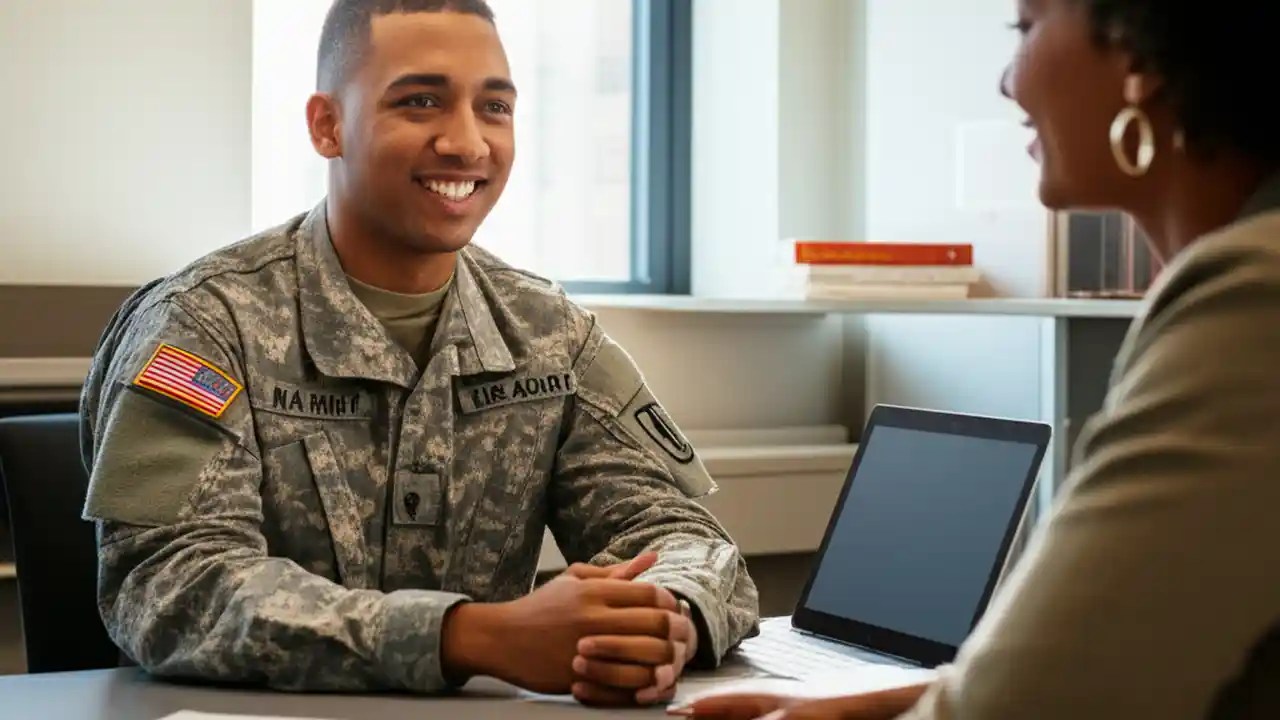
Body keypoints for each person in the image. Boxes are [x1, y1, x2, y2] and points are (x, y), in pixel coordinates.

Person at [78, 0, 758, 707]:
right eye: (421, 101)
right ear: (327, 124)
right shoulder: (206, 322)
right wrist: (471, 637)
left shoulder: (549, 332)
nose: (467, 143)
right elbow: (170, 585)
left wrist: (661, 618)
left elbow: (683, 537)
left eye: (494, 107)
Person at [677, 0, 1280, 718]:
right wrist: (855, 707)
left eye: (1024, 30)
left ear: (1142, 58)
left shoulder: (1252, 299)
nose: (1006, 83)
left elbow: (1040, 703)